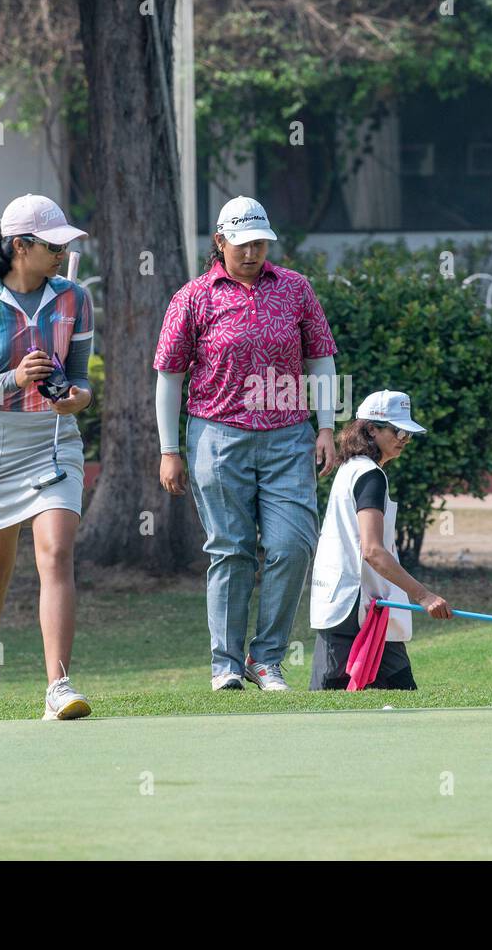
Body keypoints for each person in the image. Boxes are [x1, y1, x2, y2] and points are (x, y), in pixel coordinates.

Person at [154, 196, 339, 692]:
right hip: (217, 435)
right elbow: (170, 376)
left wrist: (326, 426)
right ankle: (226, 664)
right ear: (220, 242)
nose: (253, 253)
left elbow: (320, 359)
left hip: (288, 434)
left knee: (292, 544)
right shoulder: (192, 298)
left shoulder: (295, 289)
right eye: (242, 244)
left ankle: (267, 658)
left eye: (259, 243)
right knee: (231, 550)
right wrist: (169, 448)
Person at [0, 194, 95, 722]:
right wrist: (13, 378)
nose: (61, 253)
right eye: (52, 245)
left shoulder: (75, 298)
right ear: (20, 246)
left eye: (64, 246)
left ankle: (58, 686)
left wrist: (77, 397)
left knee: (56, 554)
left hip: (55, 439)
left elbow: (79, 380)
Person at [309, 390, 452, 690]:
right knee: (331, 710)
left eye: (408, 433)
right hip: (353, 609)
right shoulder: (370, 476)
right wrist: (424, 596)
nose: (404, 438)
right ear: (371, 429)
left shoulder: (351, 469)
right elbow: (373, 551)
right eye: (397, 430)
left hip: (357, 606)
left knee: (396, 694)